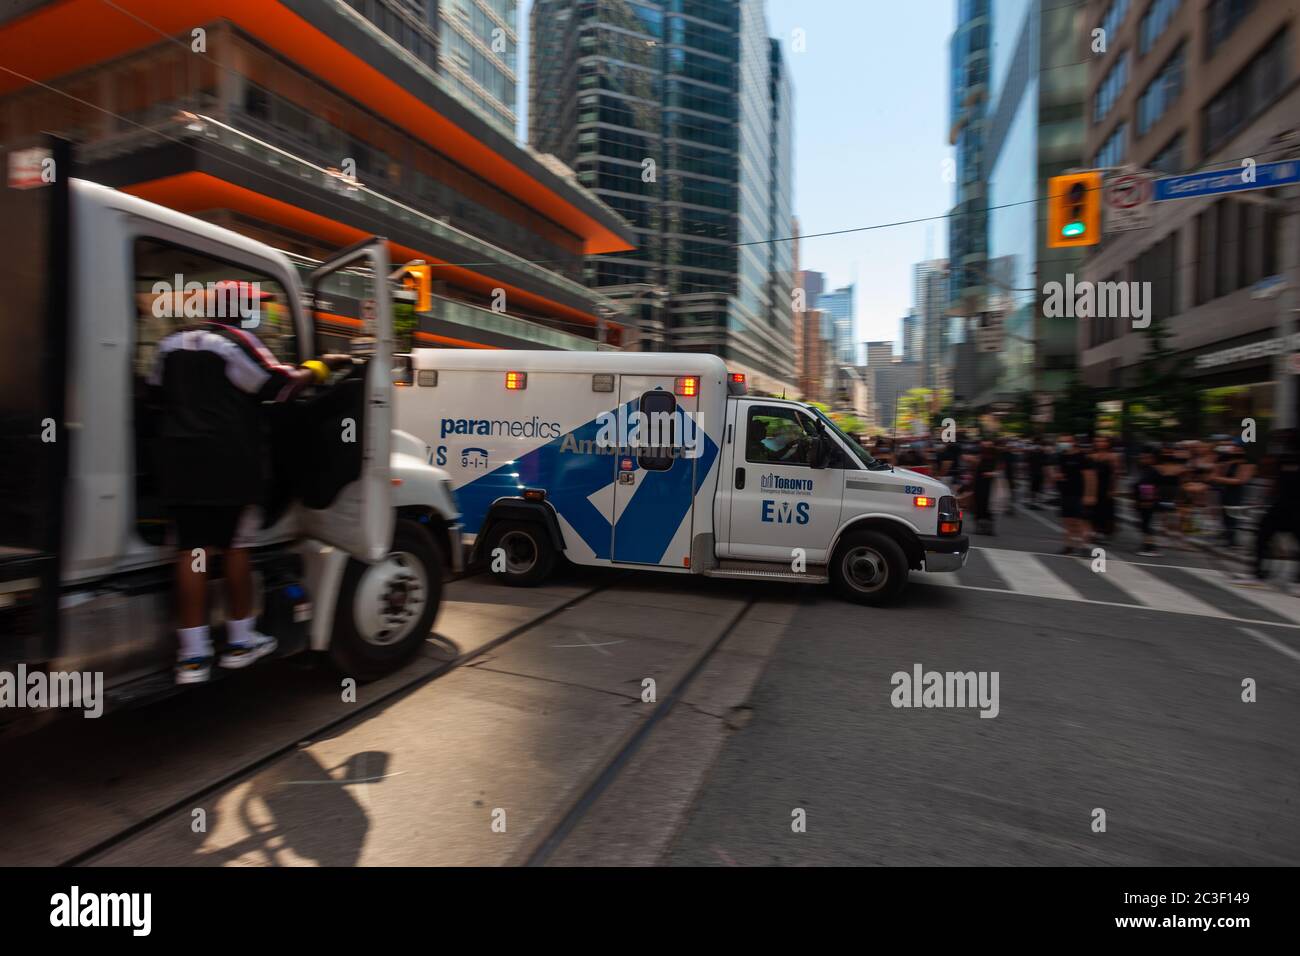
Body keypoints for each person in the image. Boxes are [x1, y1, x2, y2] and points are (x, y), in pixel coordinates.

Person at [149, 317, 354, 684]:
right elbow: (279, 385)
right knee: (235, 548)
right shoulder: (233, 342)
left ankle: (193, 656)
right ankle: (240, 643)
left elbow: (153, 390)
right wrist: (322, 367)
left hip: (179, 461)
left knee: (193, 551)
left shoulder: (169, 344)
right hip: (229, 461)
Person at [1250, 429, 1300, 584]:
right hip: (1282, 505)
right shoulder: (1283, 458)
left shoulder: (1285, 458)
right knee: (1262, 534)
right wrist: (1263, 499)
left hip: (1294, 507)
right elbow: (1276, 481)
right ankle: (1259, 571)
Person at [1053, 434, 1095, 555]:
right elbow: (1059, 473)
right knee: (1067, 520)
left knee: (1080, 521)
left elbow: (1090, 477)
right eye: (1060, 442)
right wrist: (1057, 477)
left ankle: (1085, 546)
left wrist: (1089, 495)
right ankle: (1068, 545)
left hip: (1079, 493)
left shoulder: (1083, 457)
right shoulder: (1062, 456)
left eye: (1064, 441)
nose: (1062, 444)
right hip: (1065, 492)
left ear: (1073, 442)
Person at [1212, 440, 1255, 550]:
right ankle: (1228, 538)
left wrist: (1219, 479)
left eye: (1237, 448)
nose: (1234, 450)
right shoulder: (1230, 462)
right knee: (1225, 515)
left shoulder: (1247, 464)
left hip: (1237, 492)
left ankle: (1233, 541)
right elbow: (1218, 471)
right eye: (1234, 447)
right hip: (1226, 491)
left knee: (1233, 515)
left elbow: (1240, 480)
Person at [1132, 445, 1162, 556]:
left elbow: (1149, 487)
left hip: (1148, 502)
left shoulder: (1151, 471)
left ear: (1152, 459)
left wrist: (1146, 501)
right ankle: (1147, 544)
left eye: (1146, 458)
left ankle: (1150, 547)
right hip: (1142, 501)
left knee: (1147, 524)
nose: (1143, 460)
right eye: (1142, 458)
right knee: (1144, 524)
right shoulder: (1142, 470)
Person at [1089, 435, 1120, 543]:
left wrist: (1113, 489)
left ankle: (1103, 532)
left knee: (1105, 509)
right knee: (1093, 509)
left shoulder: (1113, 456)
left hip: (1106, 486)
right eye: (1098, 441)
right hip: (1093, 485)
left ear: (1109, 443)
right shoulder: (1092, 456)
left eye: (1103, 441)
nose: (1100, 443)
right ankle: (1094, 531)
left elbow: (1115, 474)